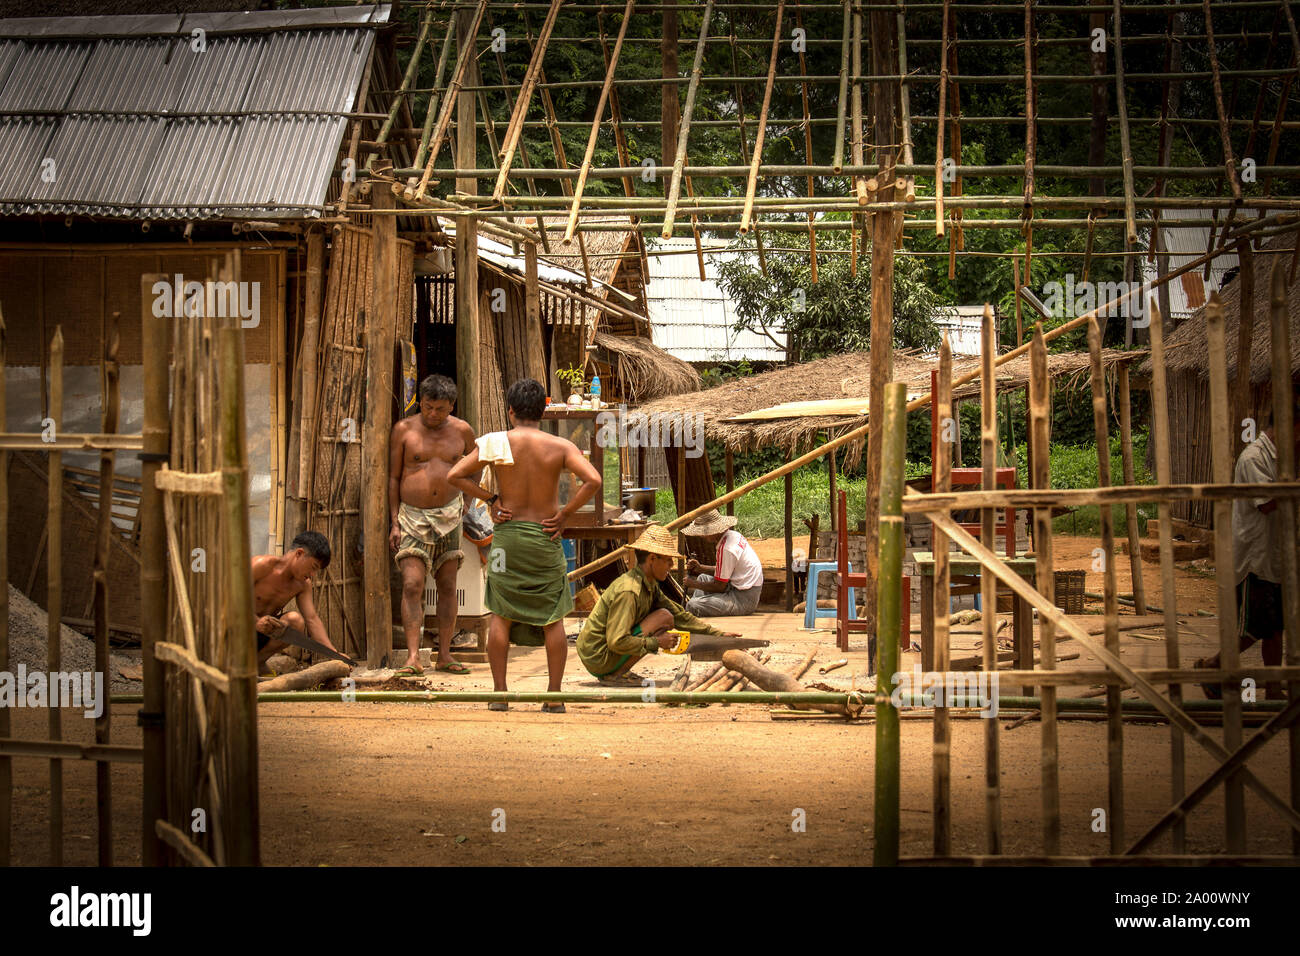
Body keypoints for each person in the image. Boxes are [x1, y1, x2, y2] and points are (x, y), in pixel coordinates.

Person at [447, 378, 602, 713]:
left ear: (511, 411)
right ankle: (554, 696)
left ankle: (500, 694)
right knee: (553, 617)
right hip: (545, 538)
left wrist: (491, 498)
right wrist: (564, 515)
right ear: (543, 412)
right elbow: (594, 480)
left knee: (501, 614)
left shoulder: (496, 442)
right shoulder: (559, 447)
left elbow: (454, 476)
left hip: (507, 540)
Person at [1197, 398, 1300, 701]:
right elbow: (1267, 503)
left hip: (1274, 556)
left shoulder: (1280, 458)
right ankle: (1213, 664)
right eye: (1297, 430)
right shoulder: (1254, 457)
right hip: (1255, 557)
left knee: (1275, 626)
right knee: (1254, 626)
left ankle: (1273, 686)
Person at [388, 374, 478, 677]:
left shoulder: (463, 431)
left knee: (448, 585)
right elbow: (393, 478)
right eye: (428, 407)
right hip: (412, 517)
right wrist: (394, 523)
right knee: (412, 584)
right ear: (421, 403)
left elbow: (479, 464)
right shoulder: (404, 430)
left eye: (440, 409)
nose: (433, 415)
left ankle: (444, 654)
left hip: (450, 516)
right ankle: (413, 657)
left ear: (451, 406)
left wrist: (468, 502)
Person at [578, 524, 737, 685]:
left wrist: (717, 635)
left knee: (666, 616)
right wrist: (657, 642)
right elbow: (616, 641)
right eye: (668, 560)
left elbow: (678, 616)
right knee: (662, 617)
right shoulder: (629, 592)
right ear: (652, 559)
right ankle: (615, 674)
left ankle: (619, 671)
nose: (671, 566)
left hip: (604, 652)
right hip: (598, 657)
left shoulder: (649, 584)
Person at [252, 531, 340, 672]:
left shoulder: (303, 585)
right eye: (313, 567)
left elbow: (312, 619)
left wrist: (335, 655)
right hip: (235, 630)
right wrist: (256, 622)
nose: (312, 575)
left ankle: (256, 663)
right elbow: (229, 600)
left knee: (295, 621)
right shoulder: (261, 565)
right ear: (299, 553)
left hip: (260, 636)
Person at [681, 508, 765, 617]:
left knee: (693, 605)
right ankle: (695, 613)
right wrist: (700, 568)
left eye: (703, 533)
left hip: (743, 599)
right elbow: (725, 572)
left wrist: (693, 584)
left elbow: (719, 586)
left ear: (713, 531)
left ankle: (693, 614)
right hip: (738, 588)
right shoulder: (733, 535)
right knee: (702, 577)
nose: (702, 536)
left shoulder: (726, 549)